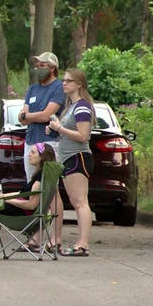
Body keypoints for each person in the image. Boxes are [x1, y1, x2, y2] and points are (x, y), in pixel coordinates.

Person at [48, 68, 95, 257]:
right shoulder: (70, 106)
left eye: (68, 81)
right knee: (75, 201)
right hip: (67, 157)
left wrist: (60, 128)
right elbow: (67, 131)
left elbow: (83, 136)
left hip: (78, 157)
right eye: (64, 80)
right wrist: (55, 129)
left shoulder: (82, 106)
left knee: (80, 201)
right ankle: (72, 241)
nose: (64, 83)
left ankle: (83, 243)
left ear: (78, 85)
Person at [18, 52, 66, 180]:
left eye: (42, 65)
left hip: (48, 141)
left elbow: (46, 116)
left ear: (52, 68)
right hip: (30, 141)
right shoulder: (33, 88)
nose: (39, 69)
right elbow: (21, 119)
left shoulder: (58, 88)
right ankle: (33, 201)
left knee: (48, 183)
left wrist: (27, 116)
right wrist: (28, 116)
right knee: (32, 181)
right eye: (37, 66)